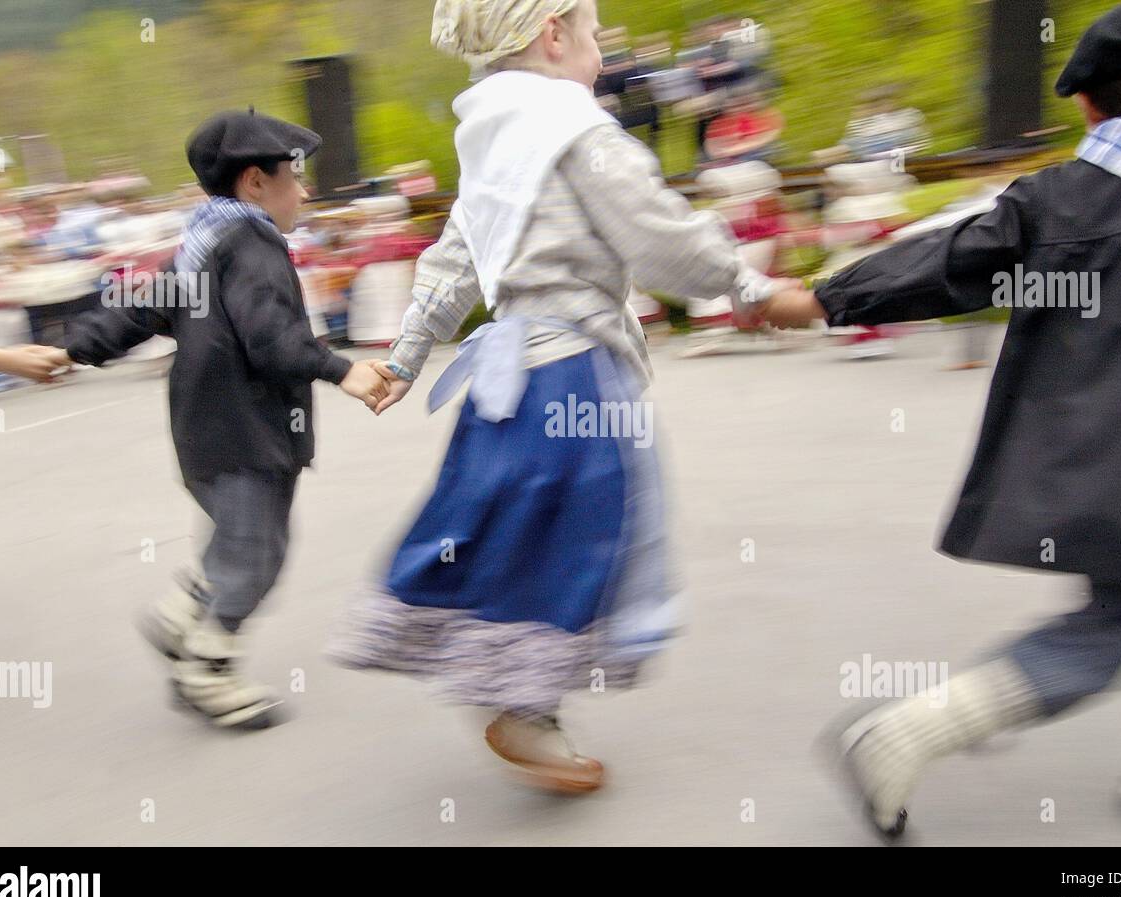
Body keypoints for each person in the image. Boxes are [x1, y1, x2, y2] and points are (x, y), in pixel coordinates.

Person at [764, 0, 1121, 839]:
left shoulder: (1056, 199)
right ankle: (906, 731)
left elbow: (946, 258)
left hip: (1096, 454)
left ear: (1090, 106)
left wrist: (820, 298)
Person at [326, 0, 812, 792]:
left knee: (510, 518)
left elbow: (455, 258)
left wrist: (408, 355)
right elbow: (657, 233)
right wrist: (748, 285)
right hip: (571, 372)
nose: (598, 50)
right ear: (553, 35)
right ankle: (525, 706)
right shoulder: (573, 126)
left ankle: (519, 697)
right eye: (591, 33)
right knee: (587, 528)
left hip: (504, 378)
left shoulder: (489, 137)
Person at [47, 109, 391, 730]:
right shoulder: (253, 244)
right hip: (248, 430)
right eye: (294, 175)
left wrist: (74, 345)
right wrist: (343, 370)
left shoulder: (200, 244)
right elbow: (272, 337)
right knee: (258, 553)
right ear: (255, 183)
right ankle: (207, 669)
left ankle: (185, 613)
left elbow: (140, 308)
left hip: (208, 432)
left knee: (237, 541)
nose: (305, 190)